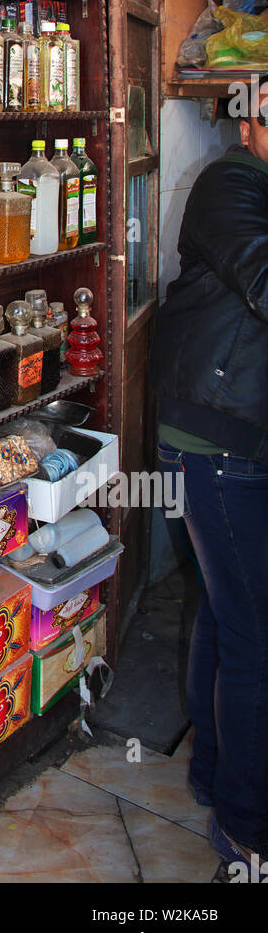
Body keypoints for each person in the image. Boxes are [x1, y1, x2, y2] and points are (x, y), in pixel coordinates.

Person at [149, 75, 268, 877]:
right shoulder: (231, 183)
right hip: (217, 441)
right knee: (259, 637)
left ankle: (212, 776)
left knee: (231, 618)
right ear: (252, 119)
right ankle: (248, 827)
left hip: (232, 432)